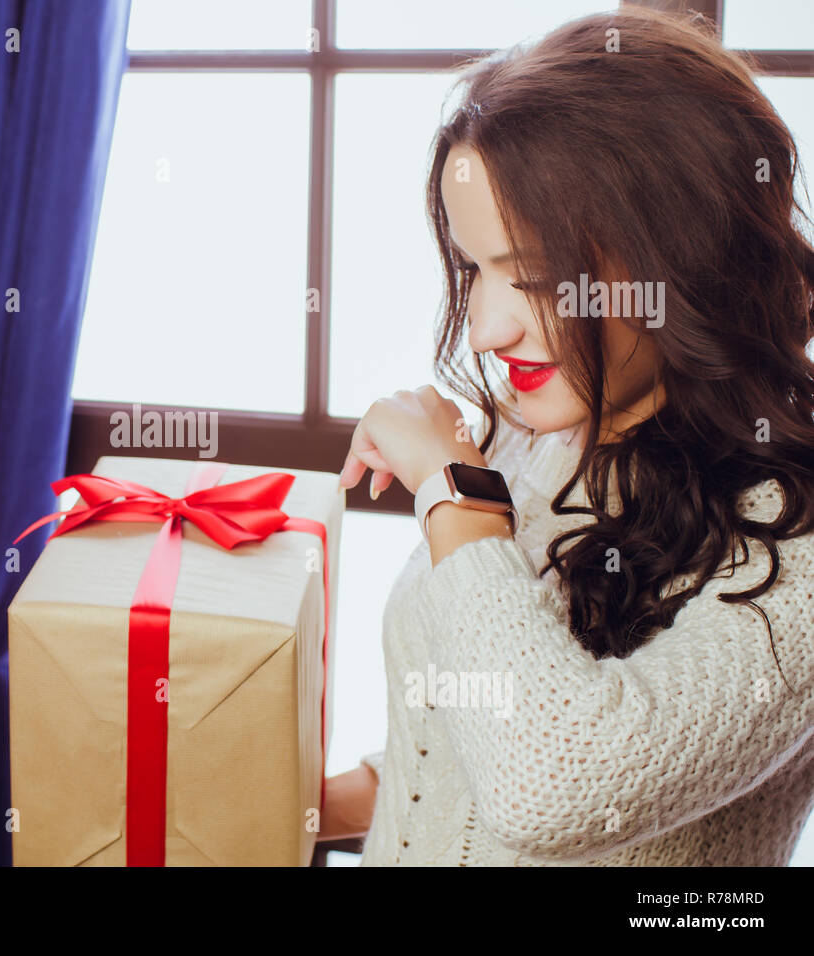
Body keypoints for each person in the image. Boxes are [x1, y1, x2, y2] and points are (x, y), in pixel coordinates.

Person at [325, 7, 814, 865]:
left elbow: (549, 783)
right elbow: (456, 748)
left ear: (686, 262)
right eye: (475, 269)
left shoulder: (792, 546)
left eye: (539, 278)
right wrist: (283, 794)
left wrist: (453, 488)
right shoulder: (528, 436)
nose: (483, 331)